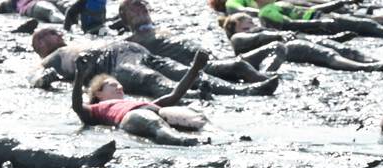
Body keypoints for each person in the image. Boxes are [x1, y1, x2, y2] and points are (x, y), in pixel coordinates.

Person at [31, 26, 281, 95]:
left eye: (55, 31)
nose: (56, 34)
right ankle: (246, 93)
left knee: (189, 71)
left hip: (136, 51)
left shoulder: (77, 41)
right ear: (39, 46)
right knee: (150, 79)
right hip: (109, 63)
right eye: (47, 35)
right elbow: (34, 76)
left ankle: (247, 87)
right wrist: (44, 79)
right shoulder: (54, 57)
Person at [114, 0, 276, 82]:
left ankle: (264, 74)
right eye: (134, 6)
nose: (141, 6)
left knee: (276, 48)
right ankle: (266, 81)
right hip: (200, 67)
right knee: (239, 66)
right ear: (125, 17)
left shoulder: (164, 31)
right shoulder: (131, 42)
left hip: (217, 60)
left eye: (142, 3)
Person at [71, 56, 211, 146]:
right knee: (153, 122)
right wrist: (79, 76)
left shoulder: (140, 103)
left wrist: (195, 68)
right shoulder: (95, 109)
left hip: (153, 112)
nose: (120, 87)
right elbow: (77, 106)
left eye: (120, 85)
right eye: (113, 85)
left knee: (196, 116)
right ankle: (182, 141)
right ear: (98, 93)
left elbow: (175, 95)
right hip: (131, 116)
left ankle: (213, 137)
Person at [226, 18, 383, 71]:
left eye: (252, 22)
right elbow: (261, 38)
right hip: (289, 48)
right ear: (235, 28)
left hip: (294, 41)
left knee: (344, 49)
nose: (252, 26)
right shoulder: (237, 38)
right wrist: (275, 33)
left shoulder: (255, 32)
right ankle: (368, 67)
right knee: (327, 54)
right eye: (246, 24)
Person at [215, 0, 383, 39]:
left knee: (365, 22)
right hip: (320, 24)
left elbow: (310, 7)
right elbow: (289, 25)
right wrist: (317, 24)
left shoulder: (276, 5)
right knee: (365, 25)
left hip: (322, 17)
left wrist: (336, 3)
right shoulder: (266, 13)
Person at [0, 0, 70, 25]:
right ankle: (66, 22)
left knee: (66, 6)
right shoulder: (9, 3)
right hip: (32, 5)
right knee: (51, 12)